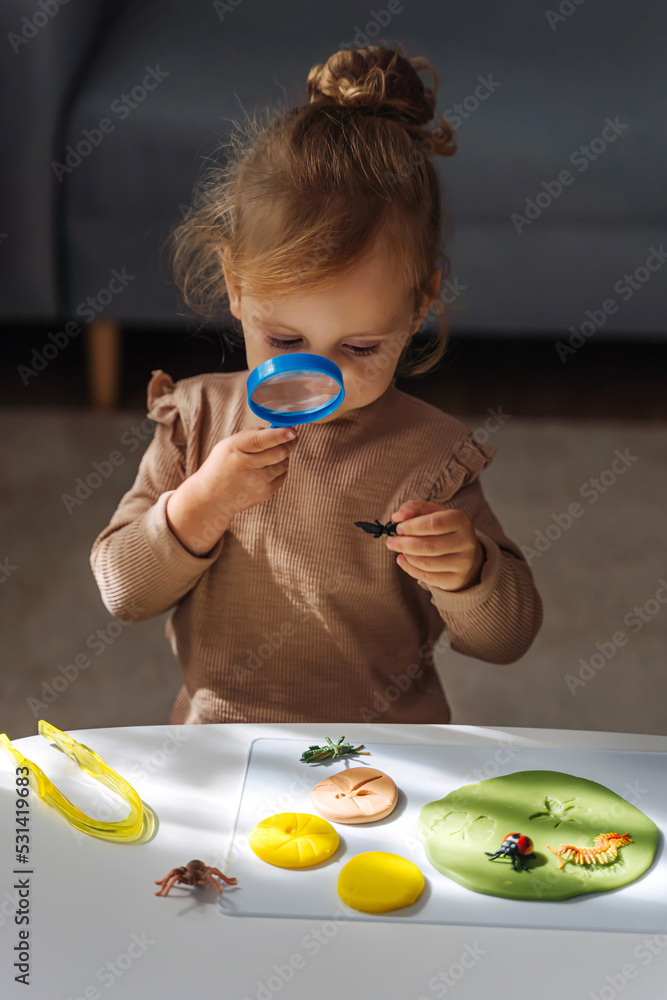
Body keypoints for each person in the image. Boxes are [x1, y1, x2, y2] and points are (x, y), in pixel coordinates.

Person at [90, 43, 543, 725]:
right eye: (285, 341)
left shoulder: (430, 456)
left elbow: (507, 639)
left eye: (359, 346)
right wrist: (199, 505)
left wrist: (469, 570)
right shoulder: (197, 422)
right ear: (237, 288)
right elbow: (122, 591)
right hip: (222, 734)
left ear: (418, 307)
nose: (316, 373)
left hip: (391, 744)